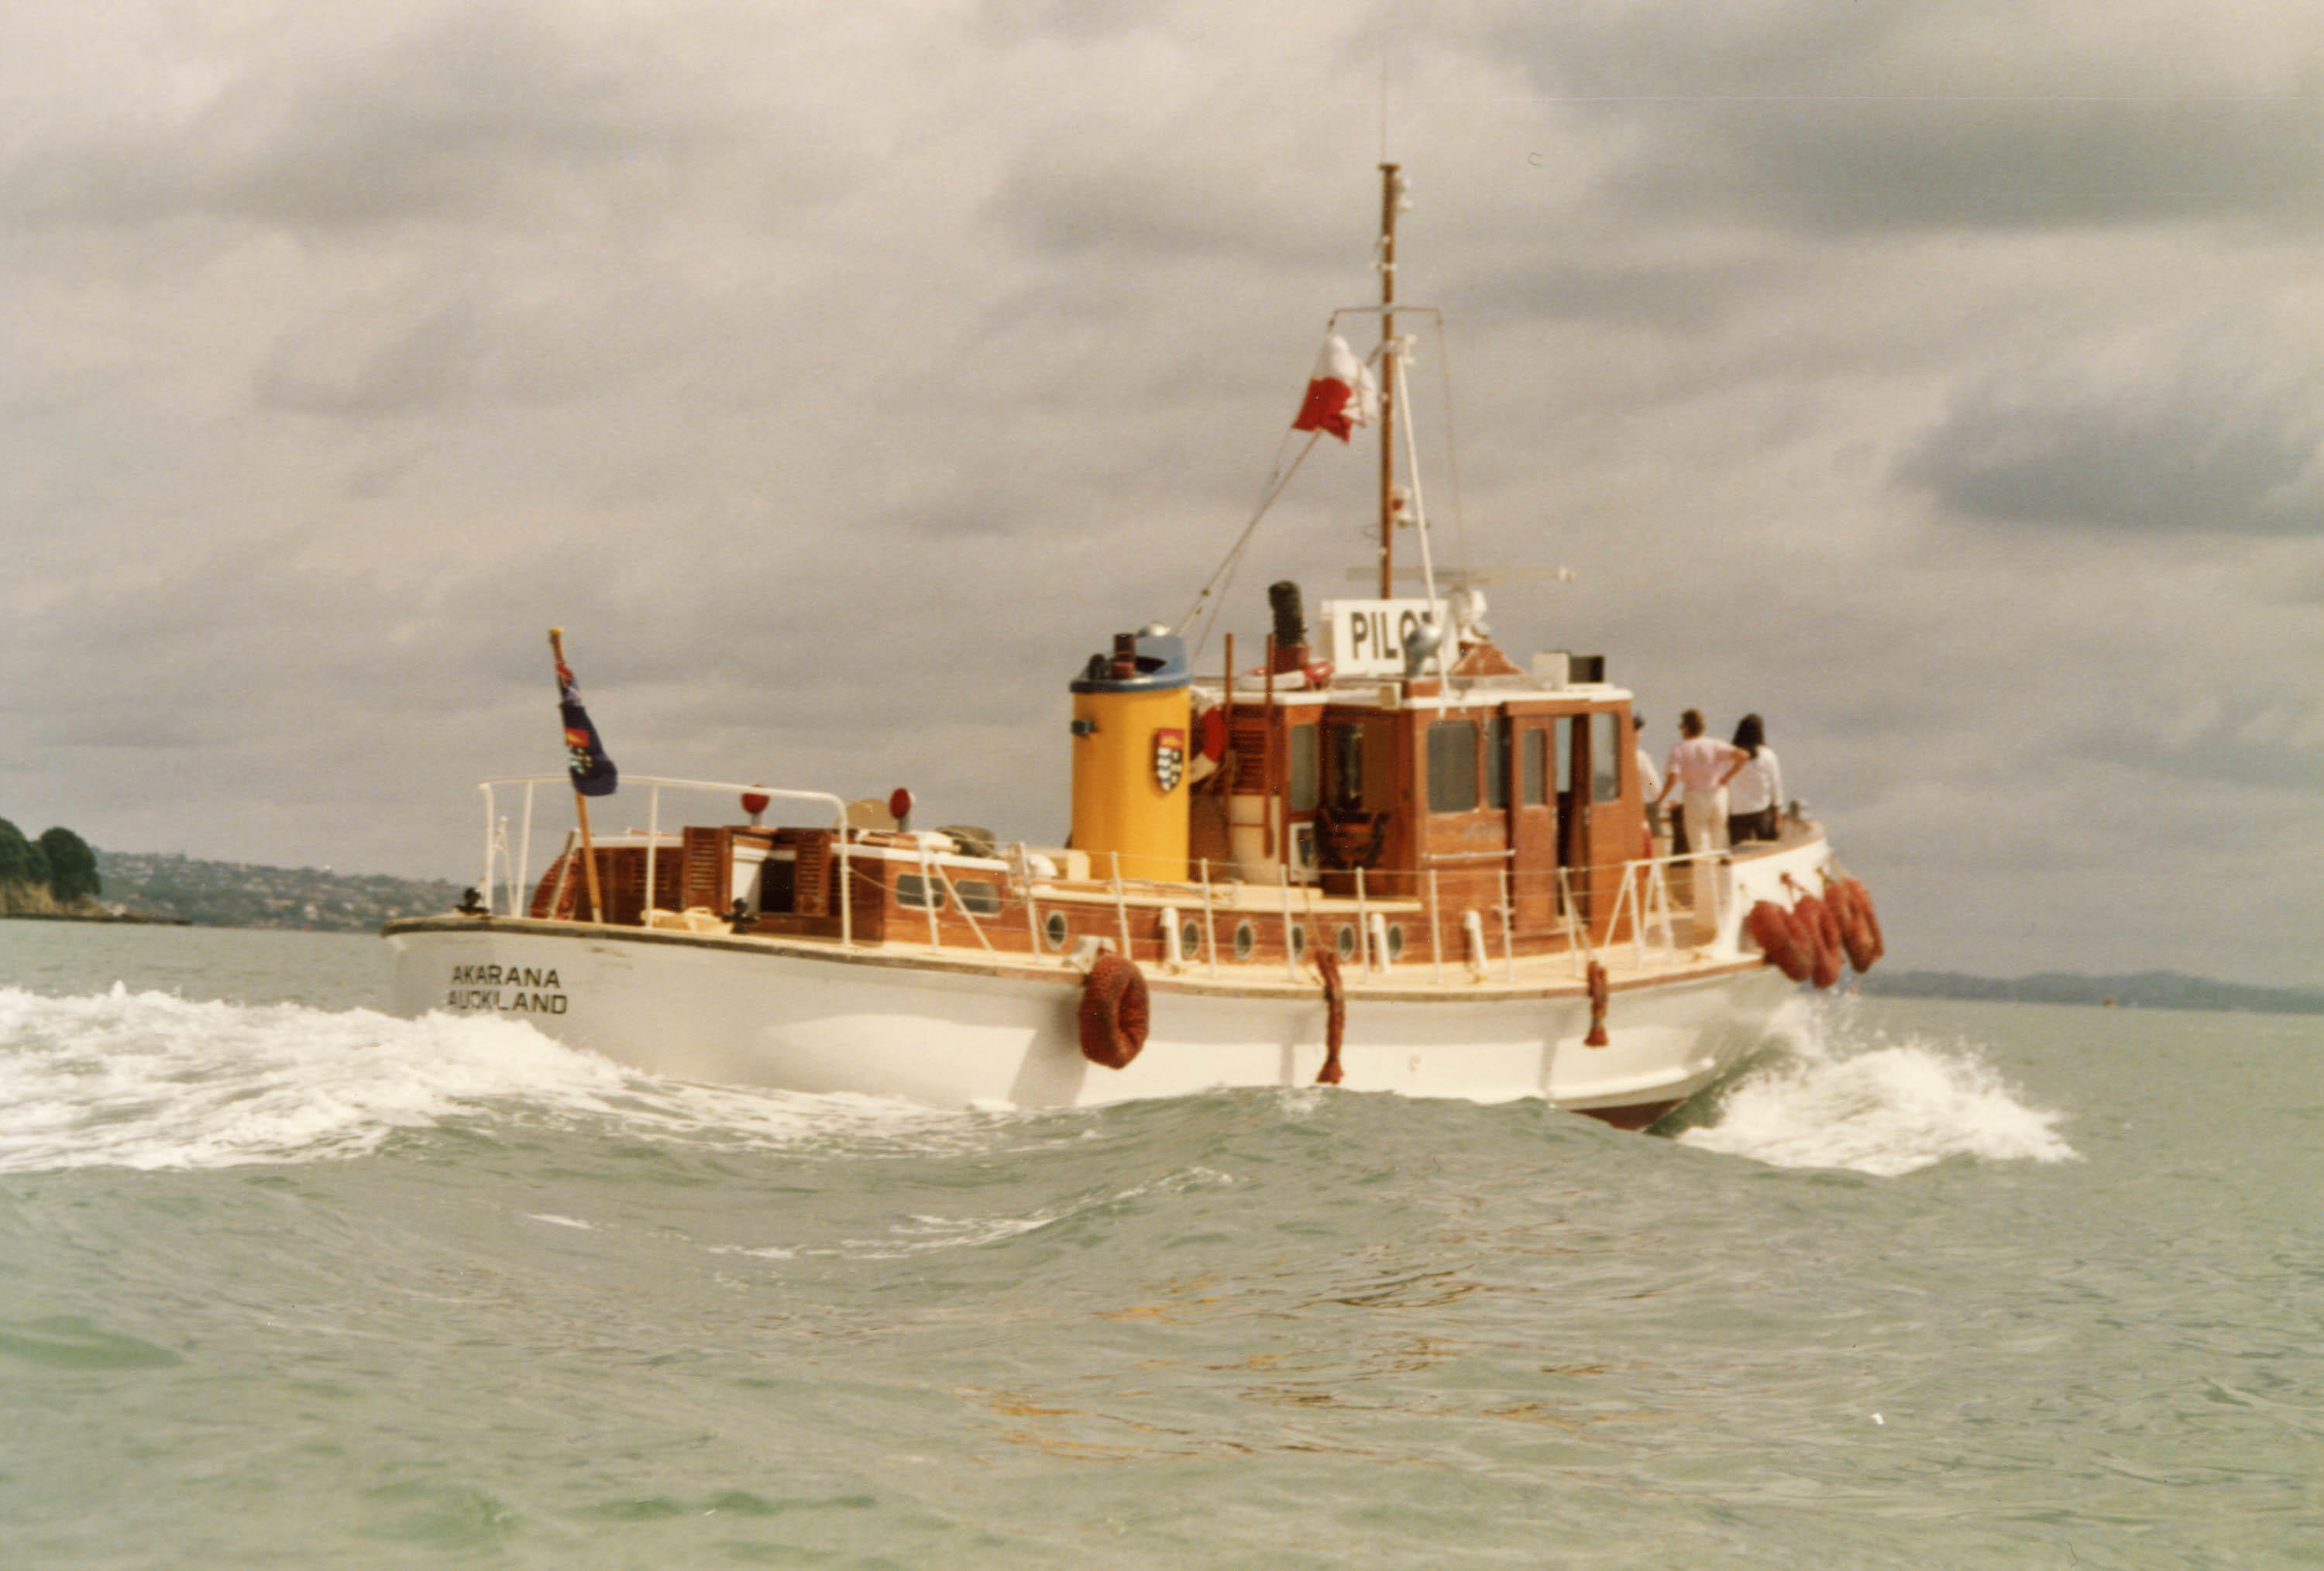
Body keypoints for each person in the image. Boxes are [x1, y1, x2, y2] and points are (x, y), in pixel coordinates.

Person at [1653, 709, 1748, 859]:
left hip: (1694, 798)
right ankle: (1721, 879)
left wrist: (1660, 799)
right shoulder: (1714, 744)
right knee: (1720, 844)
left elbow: (1672, 778)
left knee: (1699, 848)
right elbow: (1743, 755)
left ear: (1685, 727)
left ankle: (1705, 881)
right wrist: (1726, 777)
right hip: (1717, 795)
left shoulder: (1678, 749)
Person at [1726, 713, 1785, 844]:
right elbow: (1776, 785)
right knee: (1769, 851)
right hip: (1761, 812)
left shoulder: (1731, 755)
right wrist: (1777, 811)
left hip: (1736, 811)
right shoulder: (1768, 755)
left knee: (1739, 855)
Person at [1633, 714, 1664, 838]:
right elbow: (1652, 783)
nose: (1641, 735)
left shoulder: (1608, 756)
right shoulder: (1640, 757)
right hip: (1636, 809)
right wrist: (1660, 801)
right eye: (1638, 732)